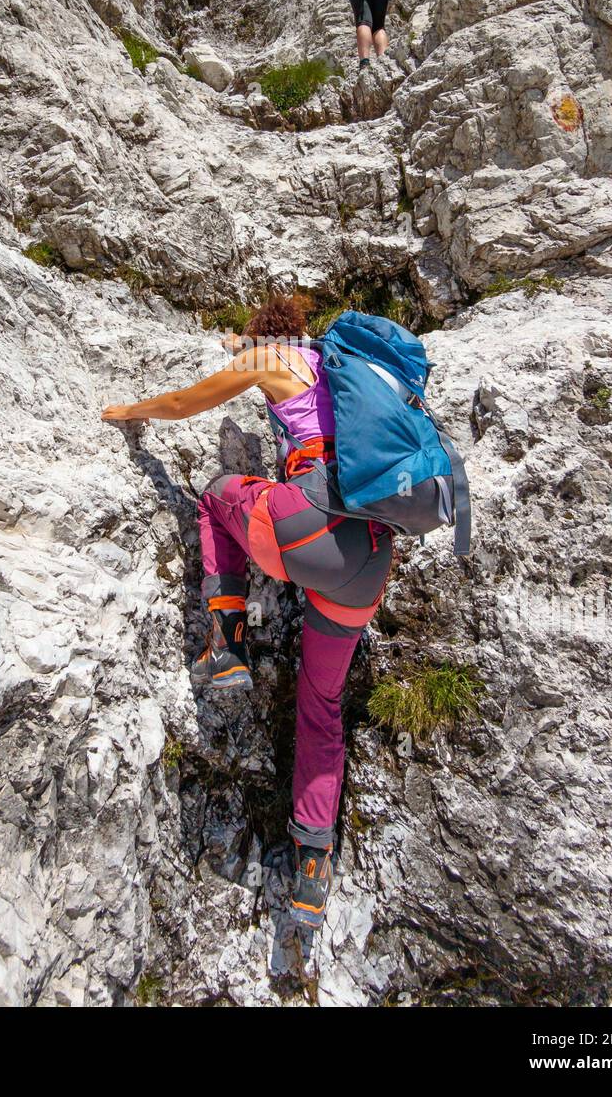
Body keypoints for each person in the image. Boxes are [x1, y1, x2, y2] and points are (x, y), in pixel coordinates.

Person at [101, 295, 393, 928]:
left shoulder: (271, 358)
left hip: (307, 528)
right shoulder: (339, 373)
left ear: (262, 335)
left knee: (214, 500)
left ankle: (227, 643)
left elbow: (185, 403)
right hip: (370, 558)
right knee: (322, 708)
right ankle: (313, 862)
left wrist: (132, 412)